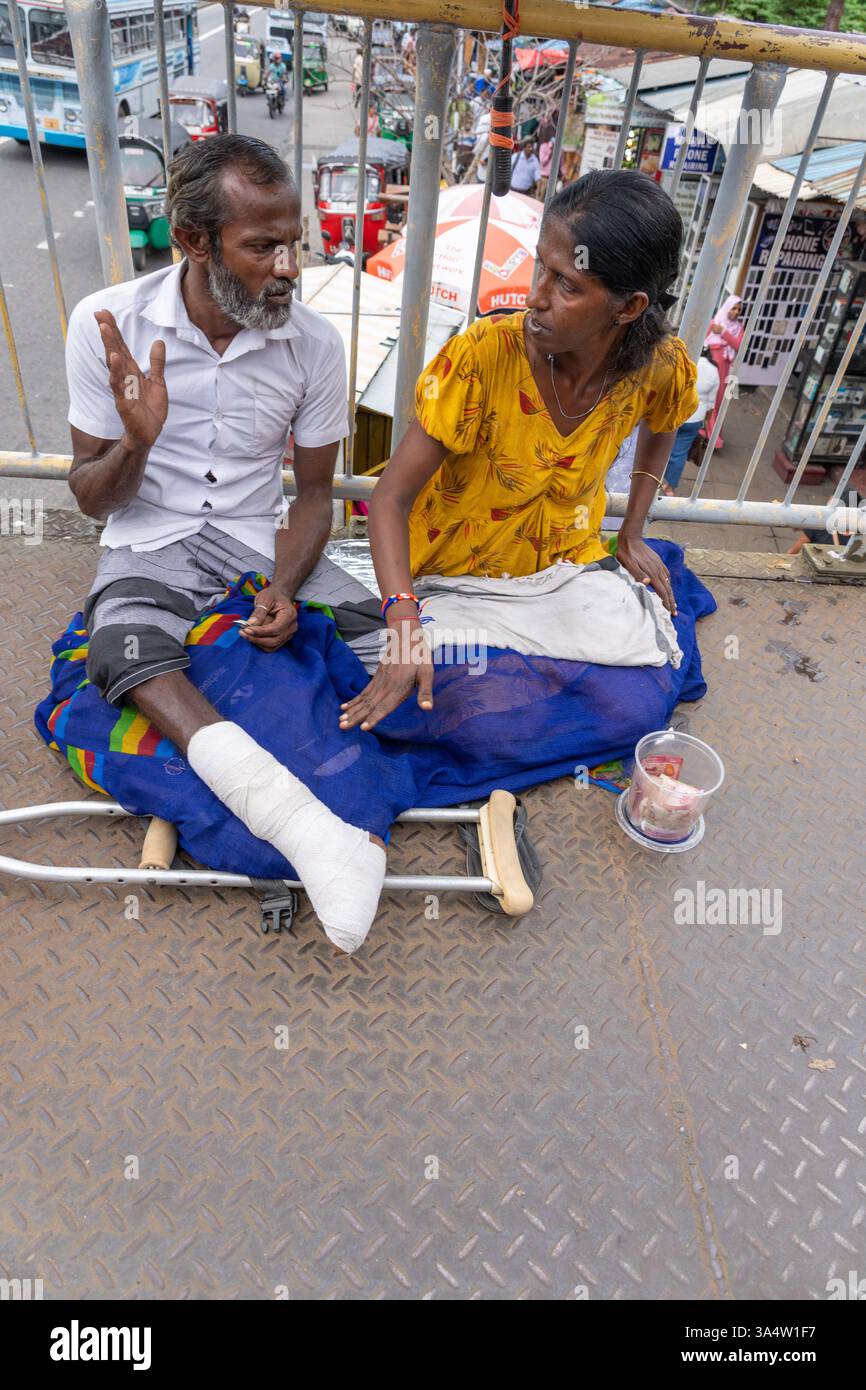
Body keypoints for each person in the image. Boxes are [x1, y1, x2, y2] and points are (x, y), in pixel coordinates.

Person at [65, 135, 386, 956]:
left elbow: (314, 496)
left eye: (293, 242)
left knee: (399, 647)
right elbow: (91, 499)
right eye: (261, 246)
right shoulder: (111, 326)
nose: (288, 267)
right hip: (150, 538)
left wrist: (283, 584)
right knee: (121, 647)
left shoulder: (313, 343)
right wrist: (135, 444)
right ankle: (308, 827)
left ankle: (290, 786)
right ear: (194, 243)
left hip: (256, 542)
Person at [339, 169, 700, 732]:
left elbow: (664, 427)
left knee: (637, 706)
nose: (535, 297)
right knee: (448, 708)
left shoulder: (658, 366)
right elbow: (389, 500)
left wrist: (631, 530)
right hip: (449, 580)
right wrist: (404, 623)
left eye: (566, 284)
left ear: (628, 308)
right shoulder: (484, 358)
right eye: (540, 267)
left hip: (559, 577)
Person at [661, 346, 720, 495]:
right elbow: (711, 405)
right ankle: (670, 488)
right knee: (679, 453)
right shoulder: (714, 371)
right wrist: (704, 422)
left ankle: (654, 479)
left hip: (673, 414)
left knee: (660, 448)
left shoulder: (683, 362)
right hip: (695, 418)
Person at [702, 294, 744, 449]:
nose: (736, 312)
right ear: (727, 307)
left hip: (726, 370)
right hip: (710, 365)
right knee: (706, 396)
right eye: (733, 308)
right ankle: (704, 431)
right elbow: (704, 339)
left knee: (719, 400)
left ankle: (712, 434)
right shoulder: (715, 321)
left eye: (739, 309)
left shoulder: (738, 328)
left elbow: (739, 346)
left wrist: (723, 333)